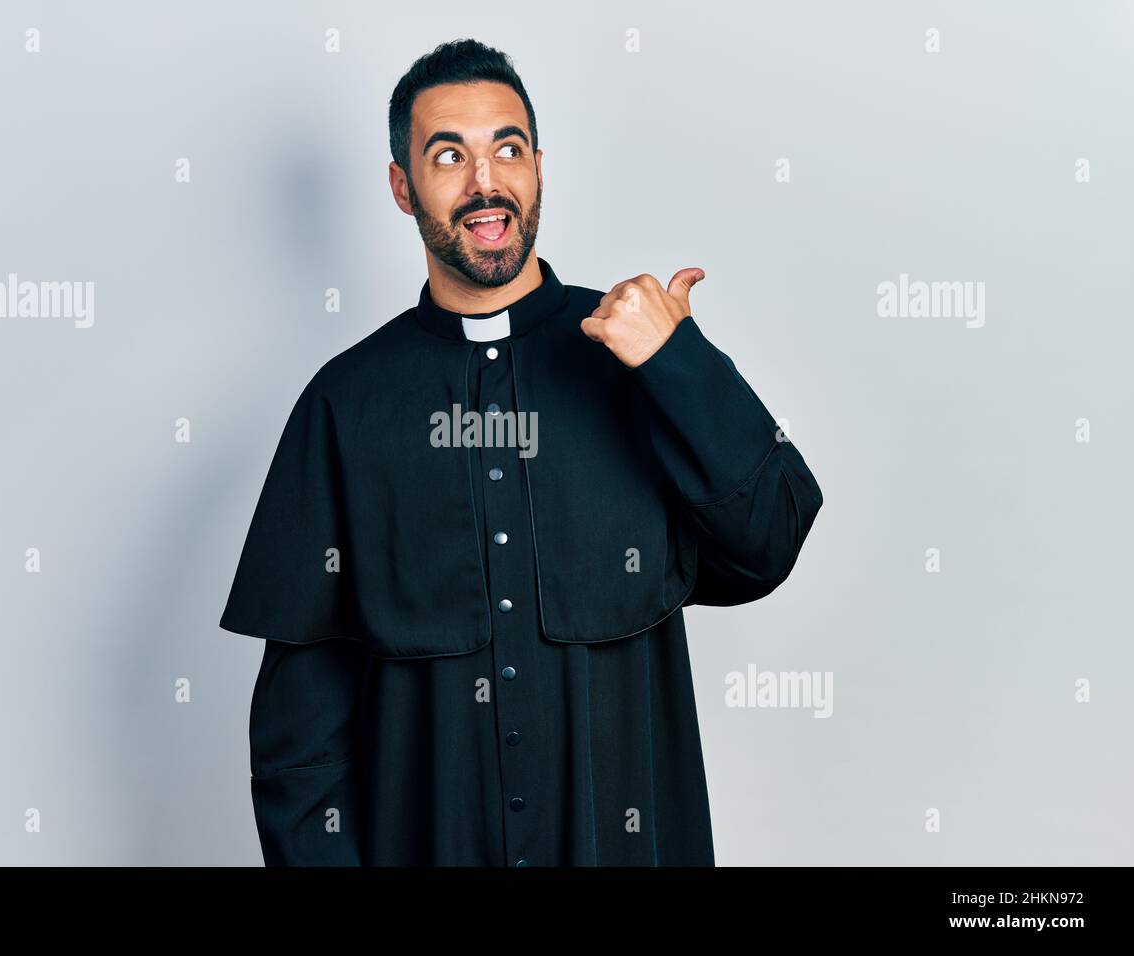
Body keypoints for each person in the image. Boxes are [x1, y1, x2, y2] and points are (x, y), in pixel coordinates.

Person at [220, 38, 824, 866]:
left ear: (539, 166)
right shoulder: (345, 407)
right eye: (448, 156)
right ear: (402, 187)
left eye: (507, 149)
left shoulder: (638, 362)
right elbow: (300, 742)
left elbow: (771, 541)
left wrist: (683, 366)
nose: (484, 182)